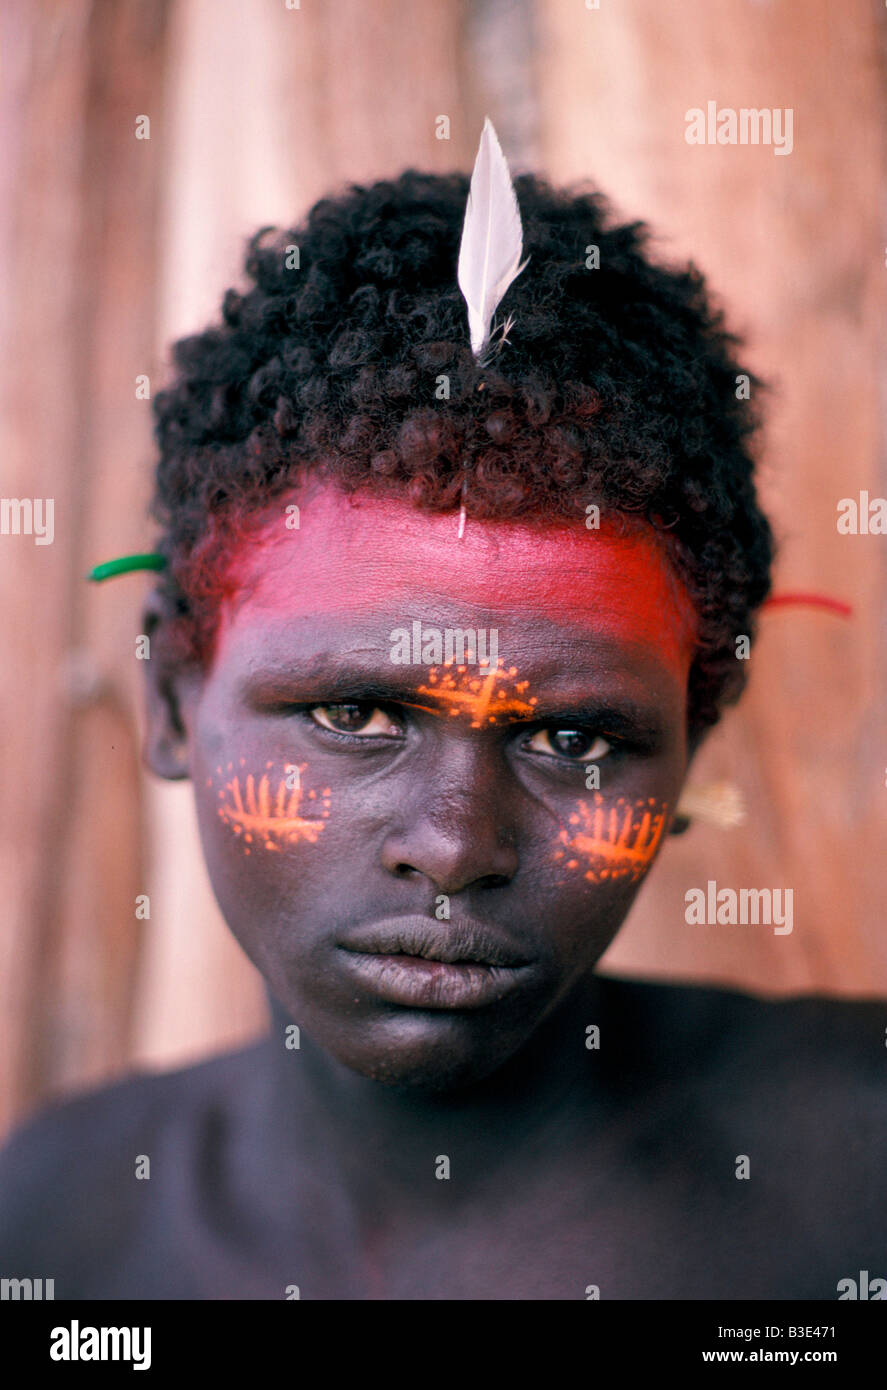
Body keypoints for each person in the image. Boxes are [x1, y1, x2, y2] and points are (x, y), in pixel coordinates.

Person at [1, 132, 884, 1301]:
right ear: (173, 701)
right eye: (356, 713)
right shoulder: (58, 1221)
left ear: (689, 748)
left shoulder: (854, 1172)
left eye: (570, 739)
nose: (457, 846)